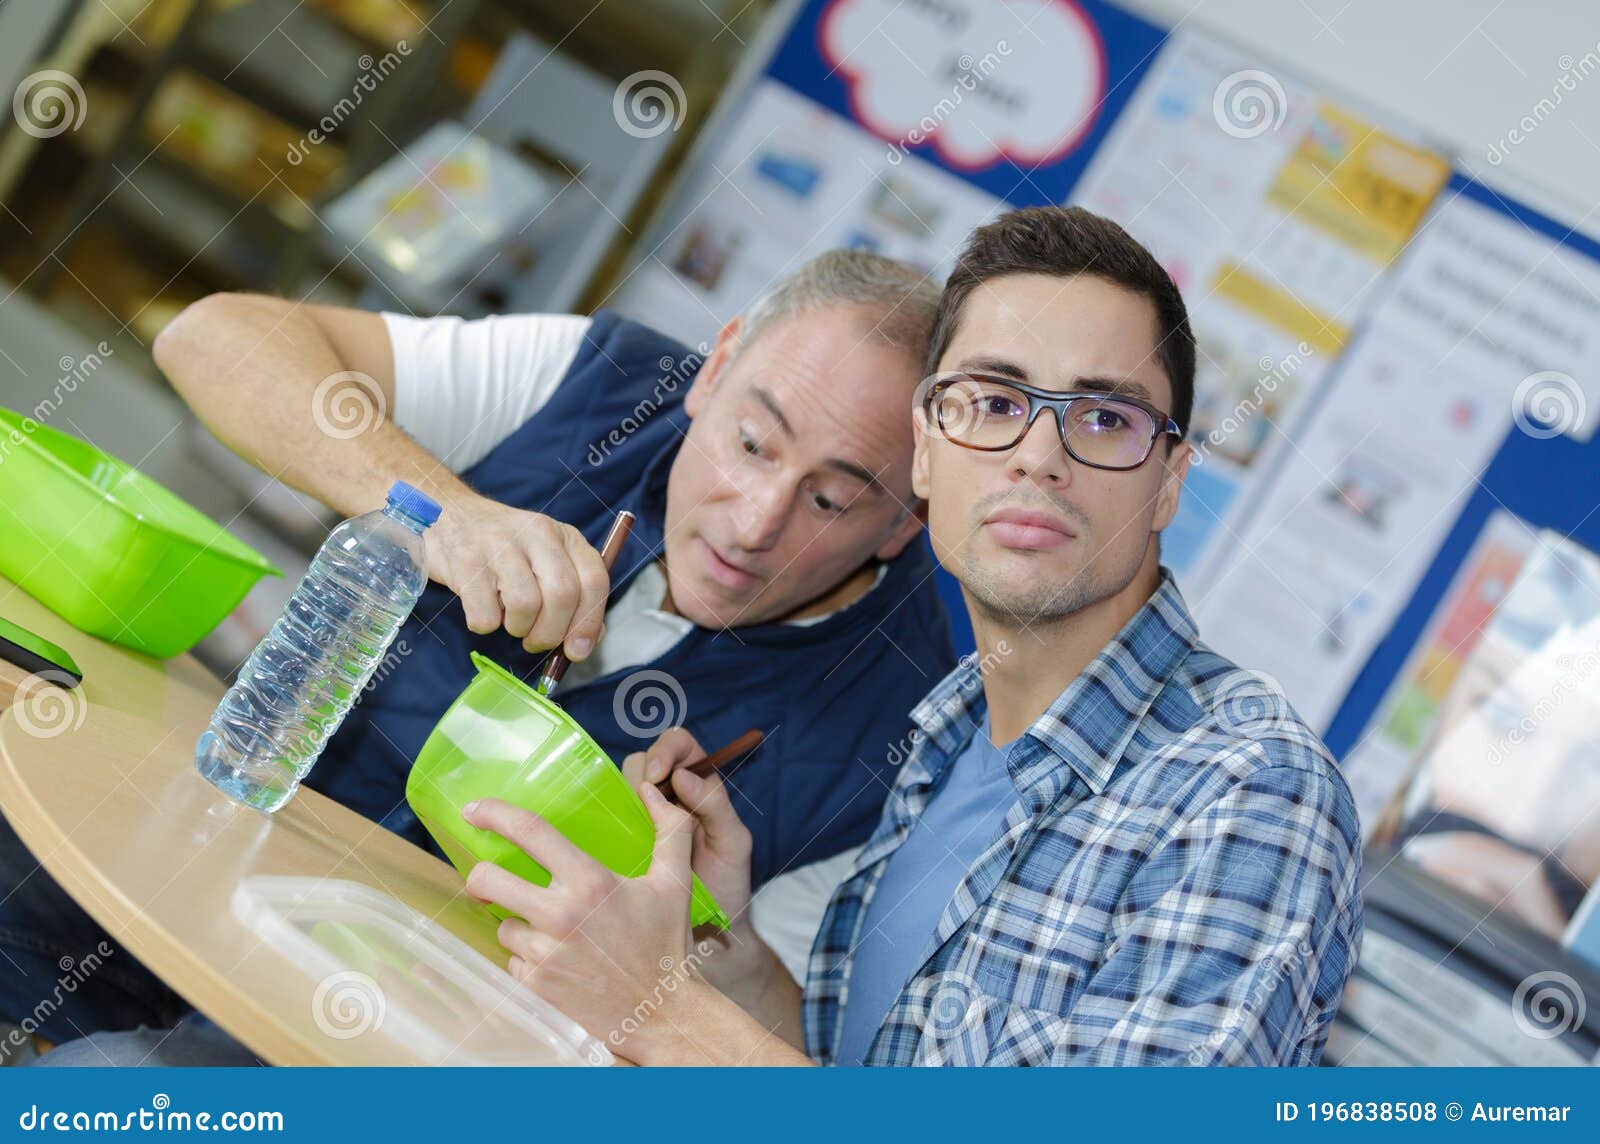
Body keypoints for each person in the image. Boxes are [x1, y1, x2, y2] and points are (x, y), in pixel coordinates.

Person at [455, 206, 1364, 1066]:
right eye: (996, 403)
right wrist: (715, 950)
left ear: (1168, 483)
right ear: (925, 453)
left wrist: (662, 1009)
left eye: (1104, 418)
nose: (1039, 455)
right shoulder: (944, 738)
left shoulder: (1249, 791)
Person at [0, 250, 955, 1048]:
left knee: (111, 1095)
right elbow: (207, 335)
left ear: (903, 524)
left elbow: (781, 1050)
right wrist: (444, 510)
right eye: (751, 442)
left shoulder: (904, 734)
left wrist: (707, 933)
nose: (756, 522)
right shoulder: (599, 383)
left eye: (831, 500)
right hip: (192, 846)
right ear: (717, 366)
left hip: (377, 1041)